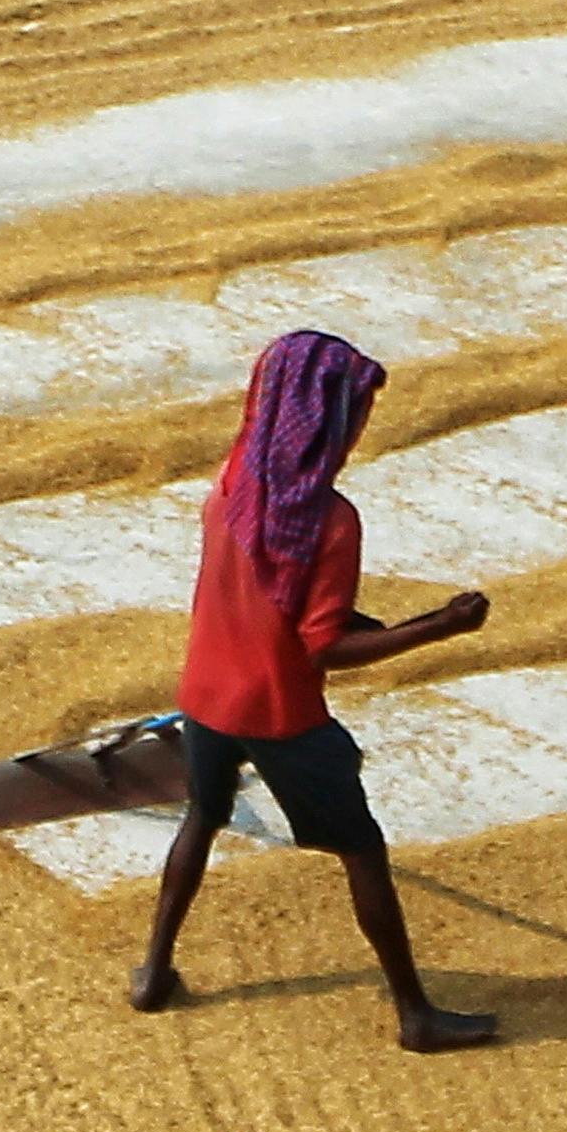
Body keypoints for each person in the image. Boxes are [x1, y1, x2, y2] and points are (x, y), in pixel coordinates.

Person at [131, 329, 498, 1051]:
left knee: (202, 819)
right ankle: (416, 1015)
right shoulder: (329, 521)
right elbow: (323, 646)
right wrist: (439, 627)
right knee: (361, 850)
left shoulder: (233, 482)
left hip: (206, 695)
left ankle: (152, 973)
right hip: (280, 714)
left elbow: (272, 601)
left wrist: (368, 620)